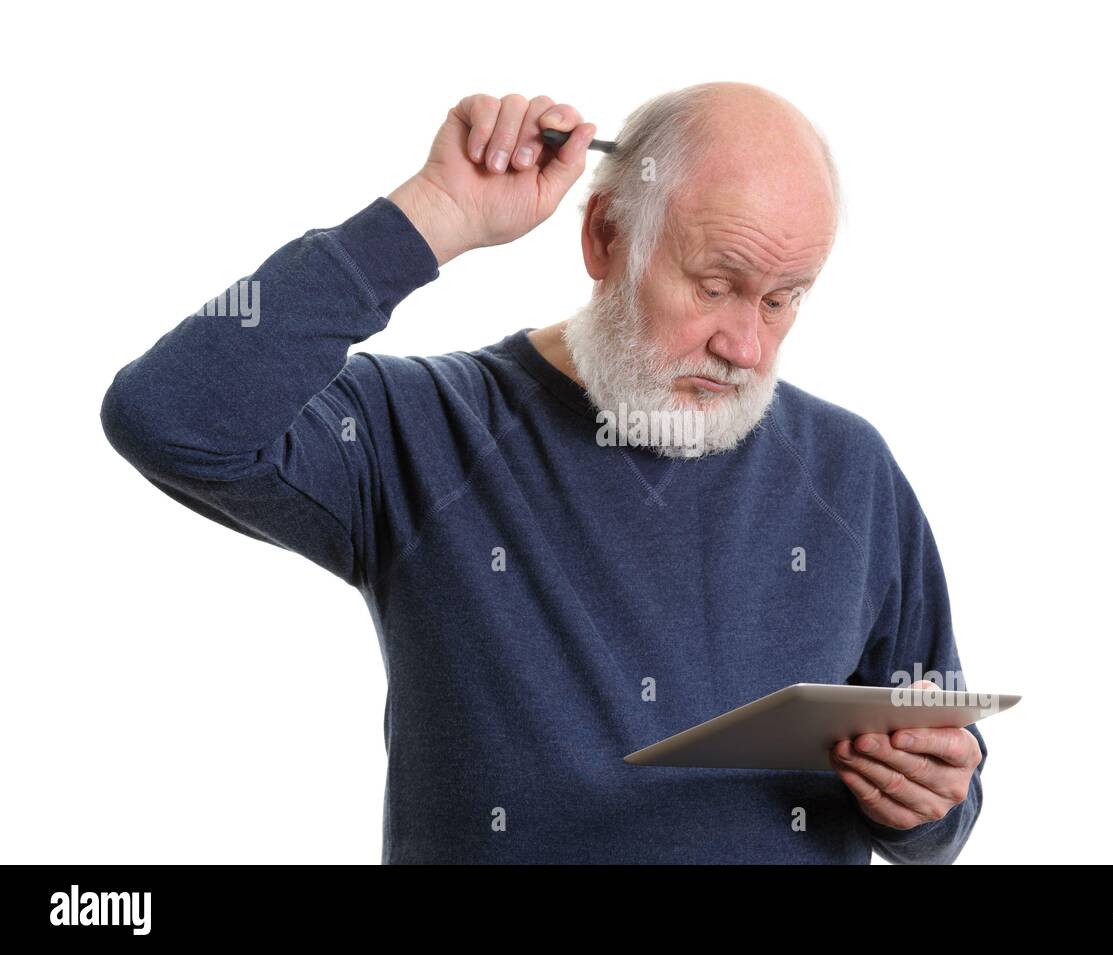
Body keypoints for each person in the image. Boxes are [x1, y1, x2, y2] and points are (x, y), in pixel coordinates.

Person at [101, 81, 988, 864]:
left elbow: (946, 789)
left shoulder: (851, 470)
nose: (744, 344)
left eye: (782, 298)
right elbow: (168, 414)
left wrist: (928, 807)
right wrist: (429, 216)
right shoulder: (429, 429)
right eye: (715, 284)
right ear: (606, 235)